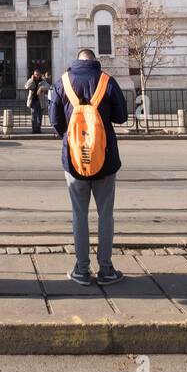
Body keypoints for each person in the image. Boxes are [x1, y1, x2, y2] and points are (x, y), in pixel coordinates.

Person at [50, 49, 129, 286]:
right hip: (105, 159)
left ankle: (81, 270)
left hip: (74, 160)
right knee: (106, 215)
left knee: (78, 215)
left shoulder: (62, 82)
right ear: (95, 61)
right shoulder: (106, 80)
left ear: (76, 59)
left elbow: (55, 121)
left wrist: (71, 137)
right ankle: (106, 270)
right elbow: (122, 116)